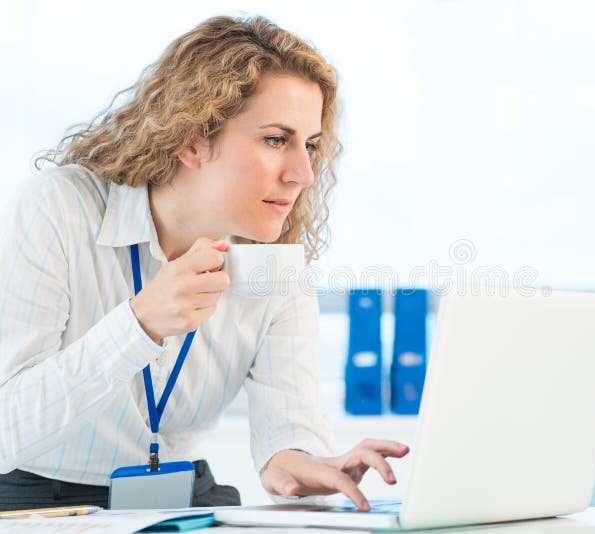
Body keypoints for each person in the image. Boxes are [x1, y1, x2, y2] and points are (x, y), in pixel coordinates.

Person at [0, 15, 407, 512]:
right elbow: (7, 431)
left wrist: (296, 459)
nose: (303, 173)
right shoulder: (60, 208)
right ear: (193, 139)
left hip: (185, 499)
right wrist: (139, 324)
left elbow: (289, 424)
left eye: (312, 145)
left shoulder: (273, 260)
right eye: (276, 140)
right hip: (42, 502)